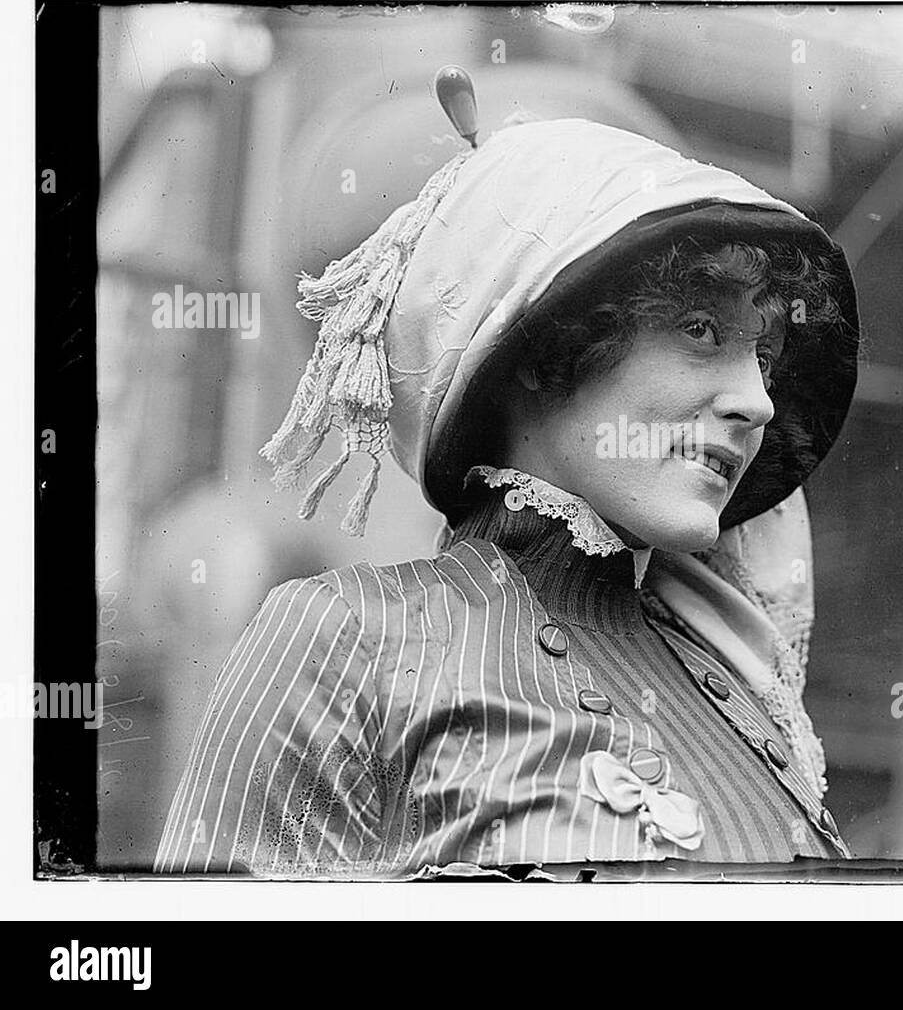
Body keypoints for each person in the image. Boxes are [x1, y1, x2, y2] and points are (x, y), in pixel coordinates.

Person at [154, 113, 859, 876]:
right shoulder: (349, 642)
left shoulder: (740, 688)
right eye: (700, 329)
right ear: (544, 347)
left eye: (762, 354)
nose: (757, 401)